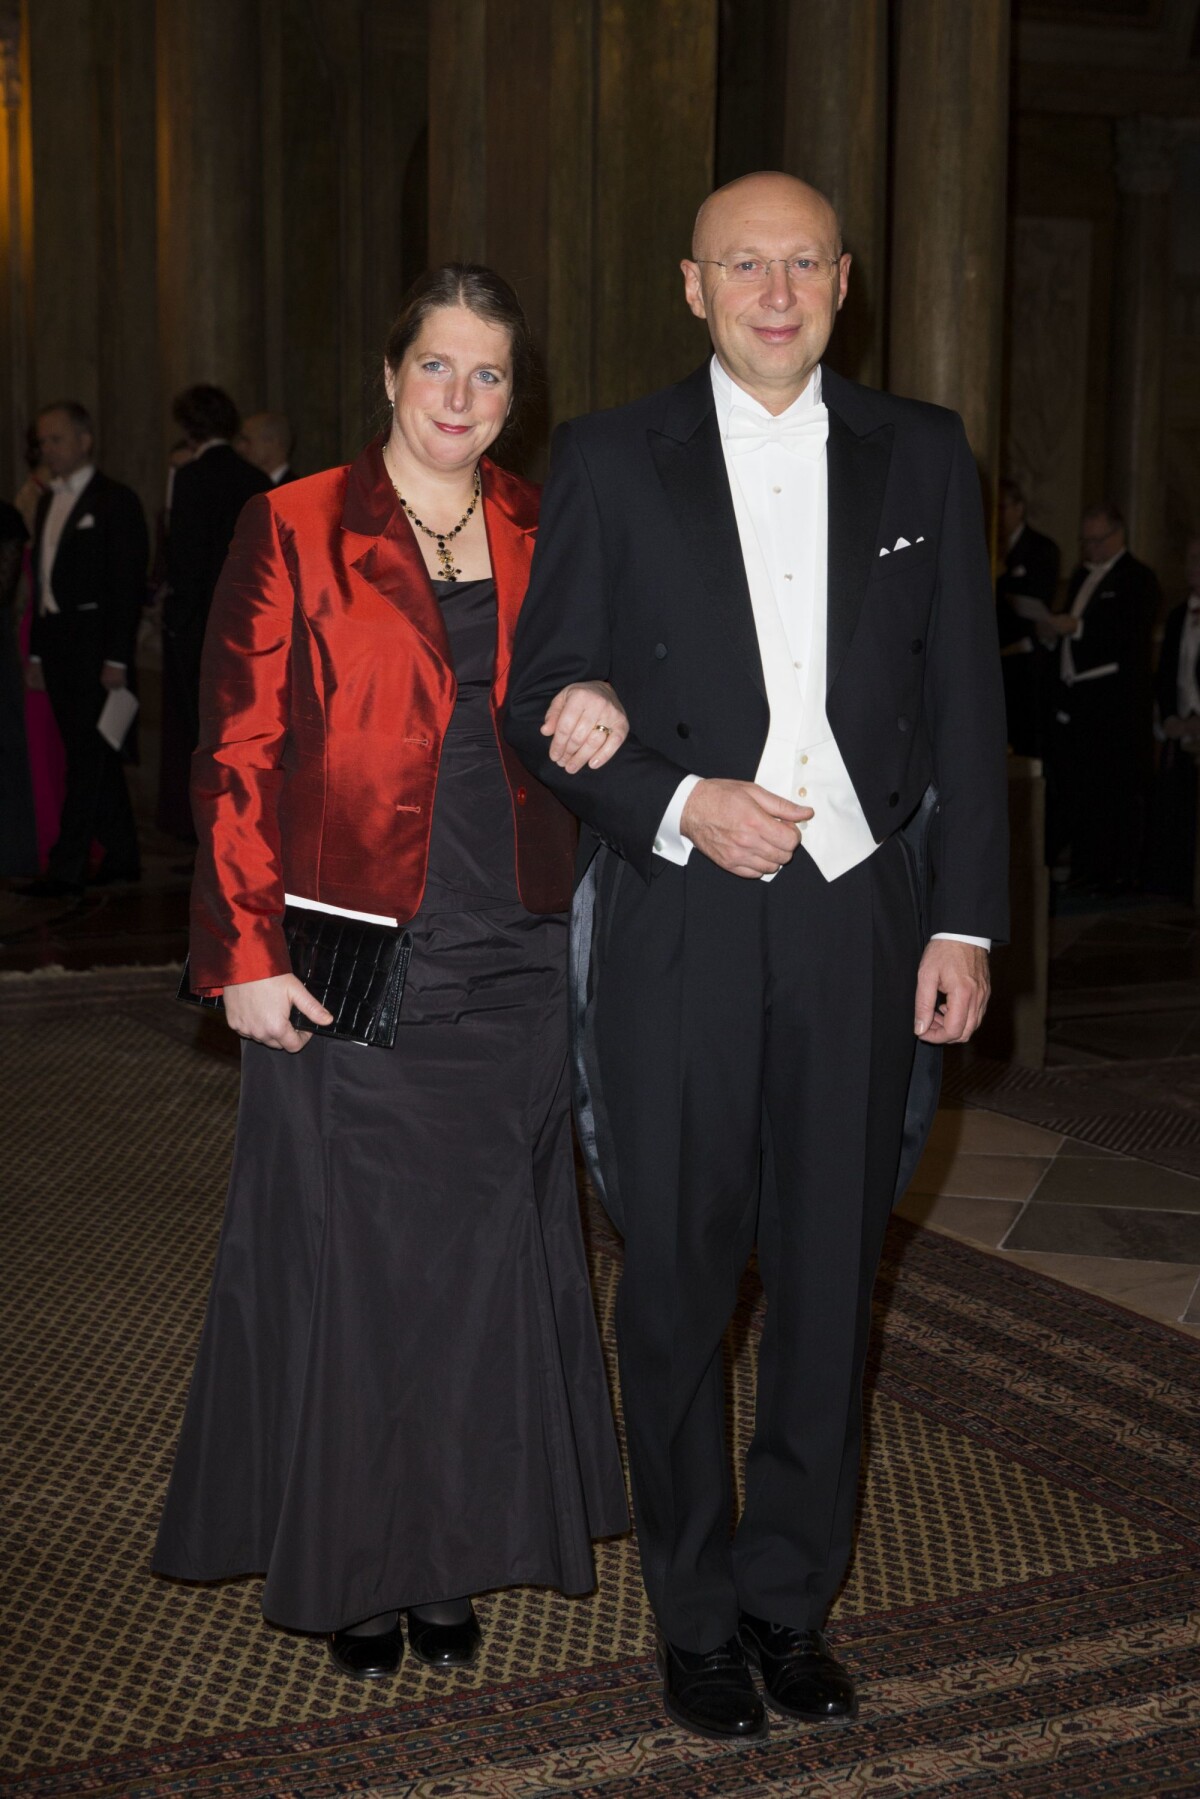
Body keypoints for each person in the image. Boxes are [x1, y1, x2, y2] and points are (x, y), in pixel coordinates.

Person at [505, 172, 1008, 1742]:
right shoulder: (603, 454)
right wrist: (669, 798)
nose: (773, 289)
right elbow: (545, 699)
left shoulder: (923, 448)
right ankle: (696, 1612)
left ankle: (792, 1600)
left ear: (843, 282)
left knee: (829, 1279)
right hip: (682, 920)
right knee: (676, 1272)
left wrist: (966, 916)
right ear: (692, 284)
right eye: (743, 264)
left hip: (862, 915)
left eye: (801, 263)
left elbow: (974, 706)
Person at [153, 264, 630, 1680]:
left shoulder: (546, 522)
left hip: (521, 950)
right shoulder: (291, 523)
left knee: (487, 1268)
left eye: (488, 375)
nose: (462, 398)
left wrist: (608, 697)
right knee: (362, 1268)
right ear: (388, 374)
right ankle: (365, 1563)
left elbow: (596, 691)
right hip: (350, 953)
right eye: (438, 367)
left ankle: (458, 1544)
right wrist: (242, 951)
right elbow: (234, 751)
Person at [22, 401, 148, 896]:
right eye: (43, 442)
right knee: (92, 752)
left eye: (55, 439)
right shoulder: (50, 500)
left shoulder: (116, 500)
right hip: (57, 645)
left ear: (84, 440)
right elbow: (42, 583)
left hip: (97, 650)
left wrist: (117, 657)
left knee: (89, 757)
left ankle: (67, 867)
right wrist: (35, 653)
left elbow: (126, 584)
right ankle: (122, 854)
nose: (46, 450)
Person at [159, 386, 270, 838]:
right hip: (250, 627)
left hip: (200, 628)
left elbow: (184, 561)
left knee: (198, 732)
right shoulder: (255, 478)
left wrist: (176, 620)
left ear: (188, 428)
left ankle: (204, 831)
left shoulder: (190, 478)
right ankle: (244, 823)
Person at [1044, 501, 1160, 890]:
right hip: (1076, 701)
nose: (1090, 549)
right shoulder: (1080, 575)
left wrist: (1076, 627)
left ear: (1117, 535)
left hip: (1113, 705)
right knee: (1077, 788)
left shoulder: (1138, 578)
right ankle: (1083, 867)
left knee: (1111, 791)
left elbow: (1128, 636)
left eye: (1097, 540)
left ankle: (1114, 872)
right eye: (1085, 541)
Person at [1147, 535, 1200, 900]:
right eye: (1190, 558)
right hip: (1179, 727)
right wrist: (1170, 718)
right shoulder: (1180, 614)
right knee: (1176, 813)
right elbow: (1167, 673)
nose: (1192, 566)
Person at [995, 478, 1060, 758]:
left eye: (1003, 507)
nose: (998, 514)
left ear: (1019, 508)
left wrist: (1004, 582)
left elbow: (1038, 596)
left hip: (1025, 657)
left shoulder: (1041, 548)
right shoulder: (987, 542)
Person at [235, 411, 296, 485]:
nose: (240, 447)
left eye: (247, 440)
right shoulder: (246, 486)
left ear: (271, 442)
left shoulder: (295, 489)